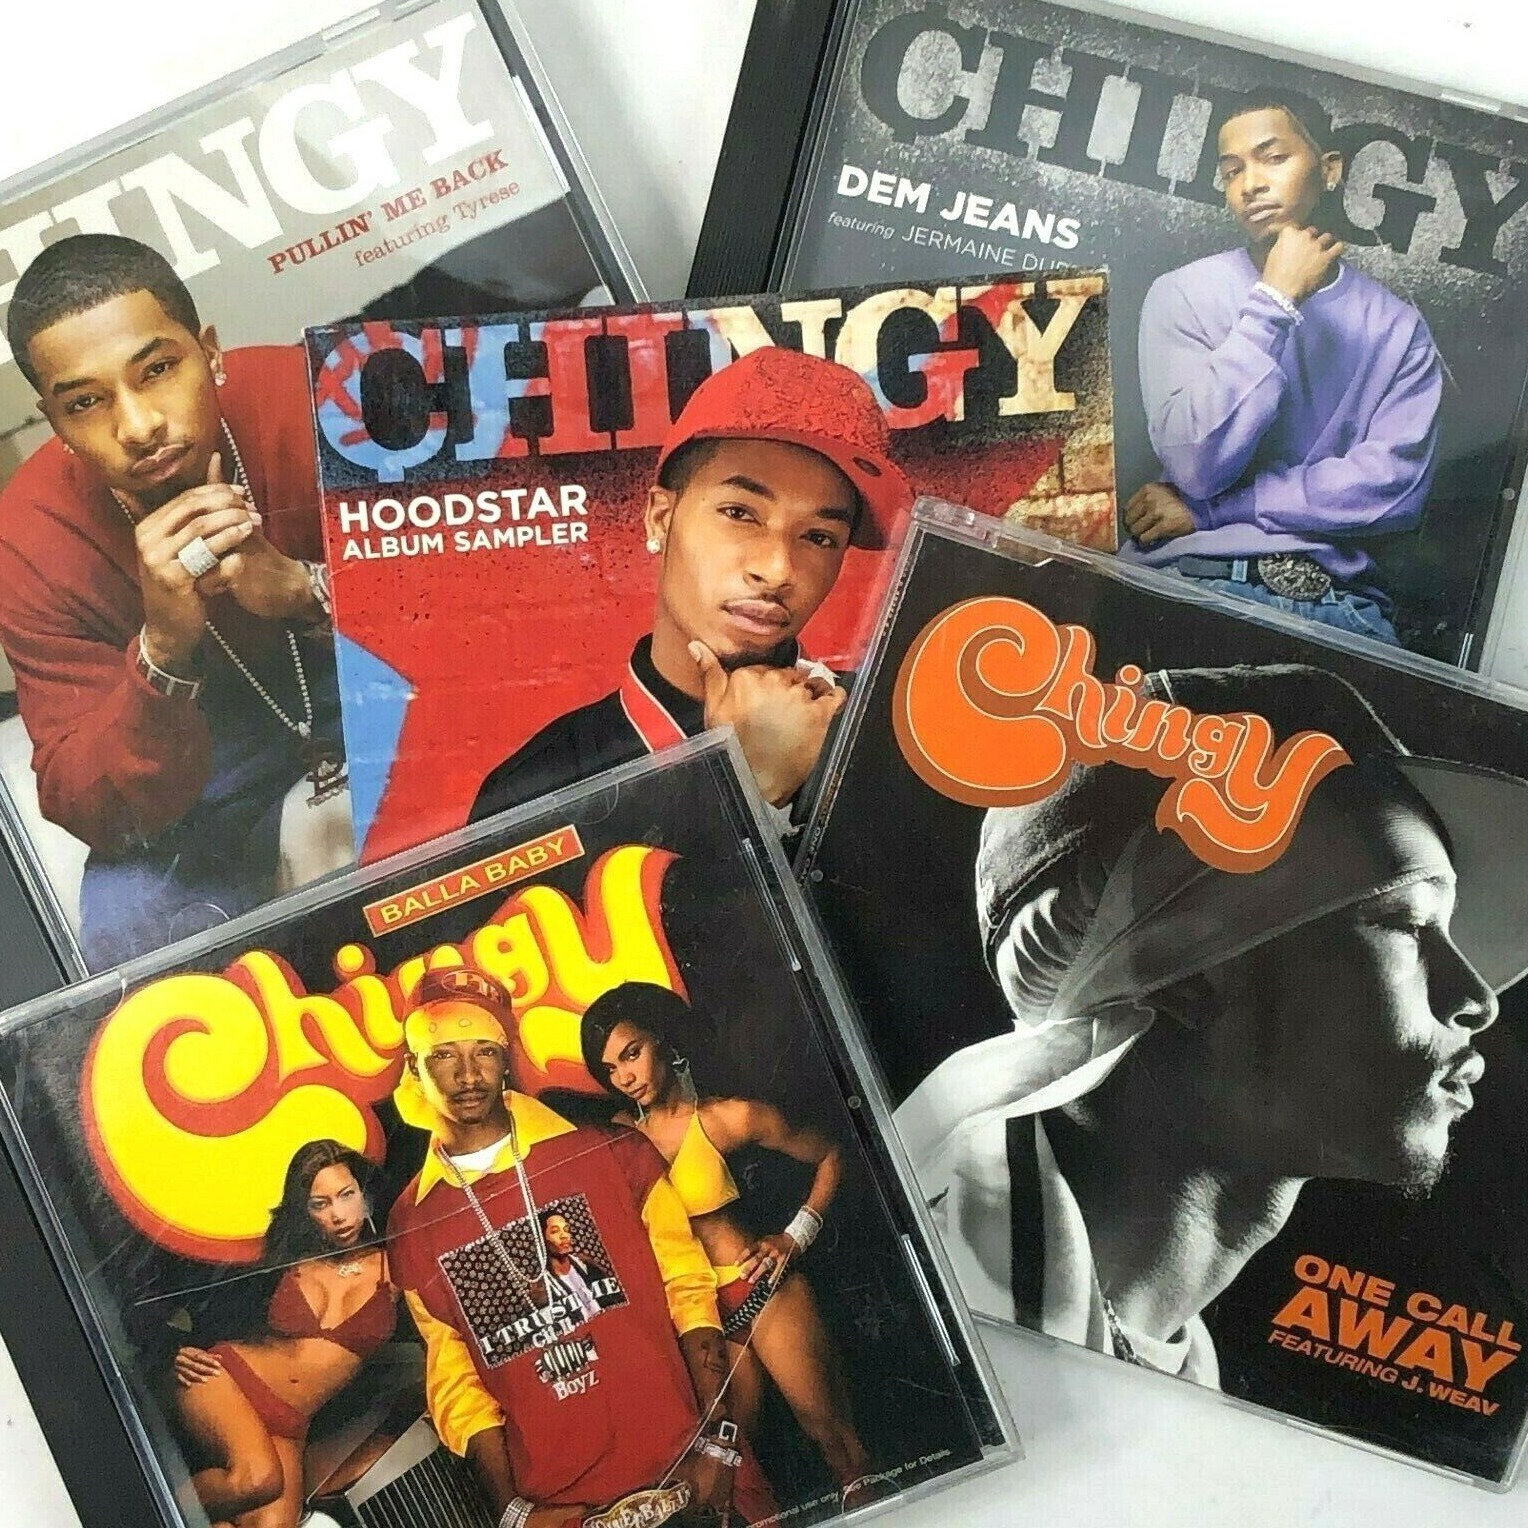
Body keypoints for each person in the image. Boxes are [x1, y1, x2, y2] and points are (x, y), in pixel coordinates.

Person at [894, 664, 1528, 1382]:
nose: (1477, 998)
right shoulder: (919, 1322)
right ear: (1186, 976)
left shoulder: (1167, 1363)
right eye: (1407, 923)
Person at [0, 233, 347, 969]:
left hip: (376, 681)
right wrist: (161, 651)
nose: (137, 426)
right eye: (86, 402)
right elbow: (84, 802)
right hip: (205, 756)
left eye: (157, 370)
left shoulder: (312, 392)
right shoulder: (26, 536)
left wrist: (307, 589)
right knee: (132, 930)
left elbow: (504, 595)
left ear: (210, 353)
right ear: (54, 424)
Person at [385, 967, 775, 1528]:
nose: (468, 1075)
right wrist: (514, 1514)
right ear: (413, 1067)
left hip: (693, 1473)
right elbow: (459, 1386)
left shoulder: (612, 1152)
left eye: (484, 1051)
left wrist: (719, 1446)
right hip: (563, 1509)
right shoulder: (411, 1224)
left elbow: (689, 1290)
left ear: (506, 1058)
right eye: (444, 1054)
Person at [471, 346, 912, 825]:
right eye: (740, 513)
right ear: (661, 518)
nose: (778, 570)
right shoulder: (535, 792)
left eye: (819, 537)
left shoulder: (893, 742)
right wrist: (751, 792)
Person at [1122, 90, 1444, 647]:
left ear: (1330, 169)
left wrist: (1219, 511)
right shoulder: (1180, 293)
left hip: (1337, 605)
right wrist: (1274, 301)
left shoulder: (1400, 328)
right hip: (1189, 581)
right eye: (1231, 171)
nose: (1250, 184)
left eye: (1273, 158)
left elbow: (1393, 491)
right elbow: (1197, 466)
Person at [580, 983, 881, 1503]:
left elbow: (831, 1154)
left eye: (632, 1054)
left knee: (835, 1442)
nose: (624, 1077)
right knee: (727, 1471)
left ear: (663, 1039)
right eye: (610, 1069)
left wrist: (795, 1237)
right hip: (698, 1316)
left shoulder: (726, 1117)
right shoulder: (619, 1138)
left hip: (761, 1291)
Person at [171, 1139, 398, 1528]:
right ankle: (139, 1502)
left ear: (365, 1195)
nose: (338, 1215)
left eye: (346, 1195)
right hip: (227, 1378)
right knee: (256, 1481)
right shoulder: (285, 1258)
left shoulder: (396, 1265)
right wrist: (173, 1350)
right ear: (305, 1211)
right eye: (320, 1204)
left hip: (291, 1424)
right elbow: (185, 1301)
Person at [536, 1208, 617, 1322]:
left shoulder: (587, 1264)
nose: (564, 1236)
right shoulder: (543, 1289)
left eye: (566, 1229)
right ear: (542, 1240)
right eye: (555, 1231)